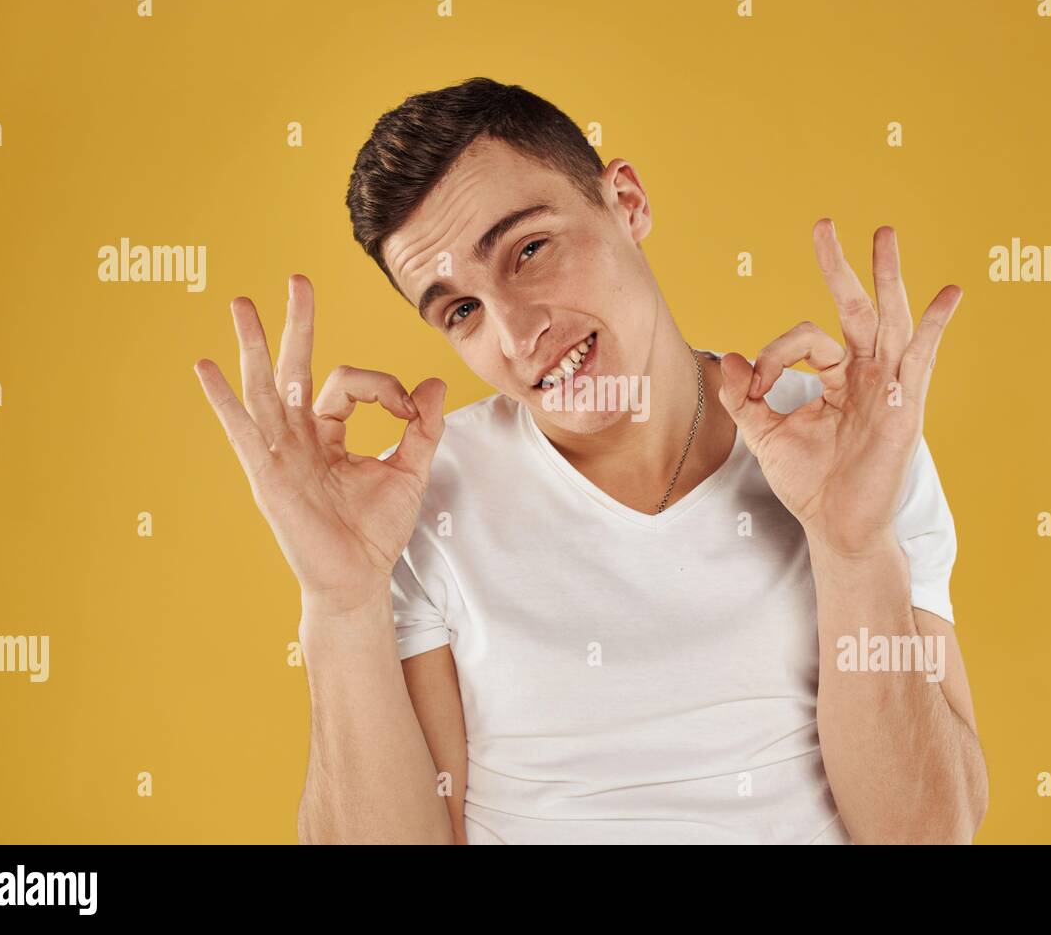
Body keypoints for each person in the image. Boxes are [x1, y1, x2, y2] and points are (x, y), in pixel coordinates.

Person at [193, 77, 988, 844]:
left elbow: (926, 836)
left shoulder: (845, 441)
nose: (516, 332)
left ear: (627, 204)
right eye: (462, 311)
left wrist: (853, 548)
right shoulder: (420, 501)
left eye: (528, 250)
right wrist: (340, 606)